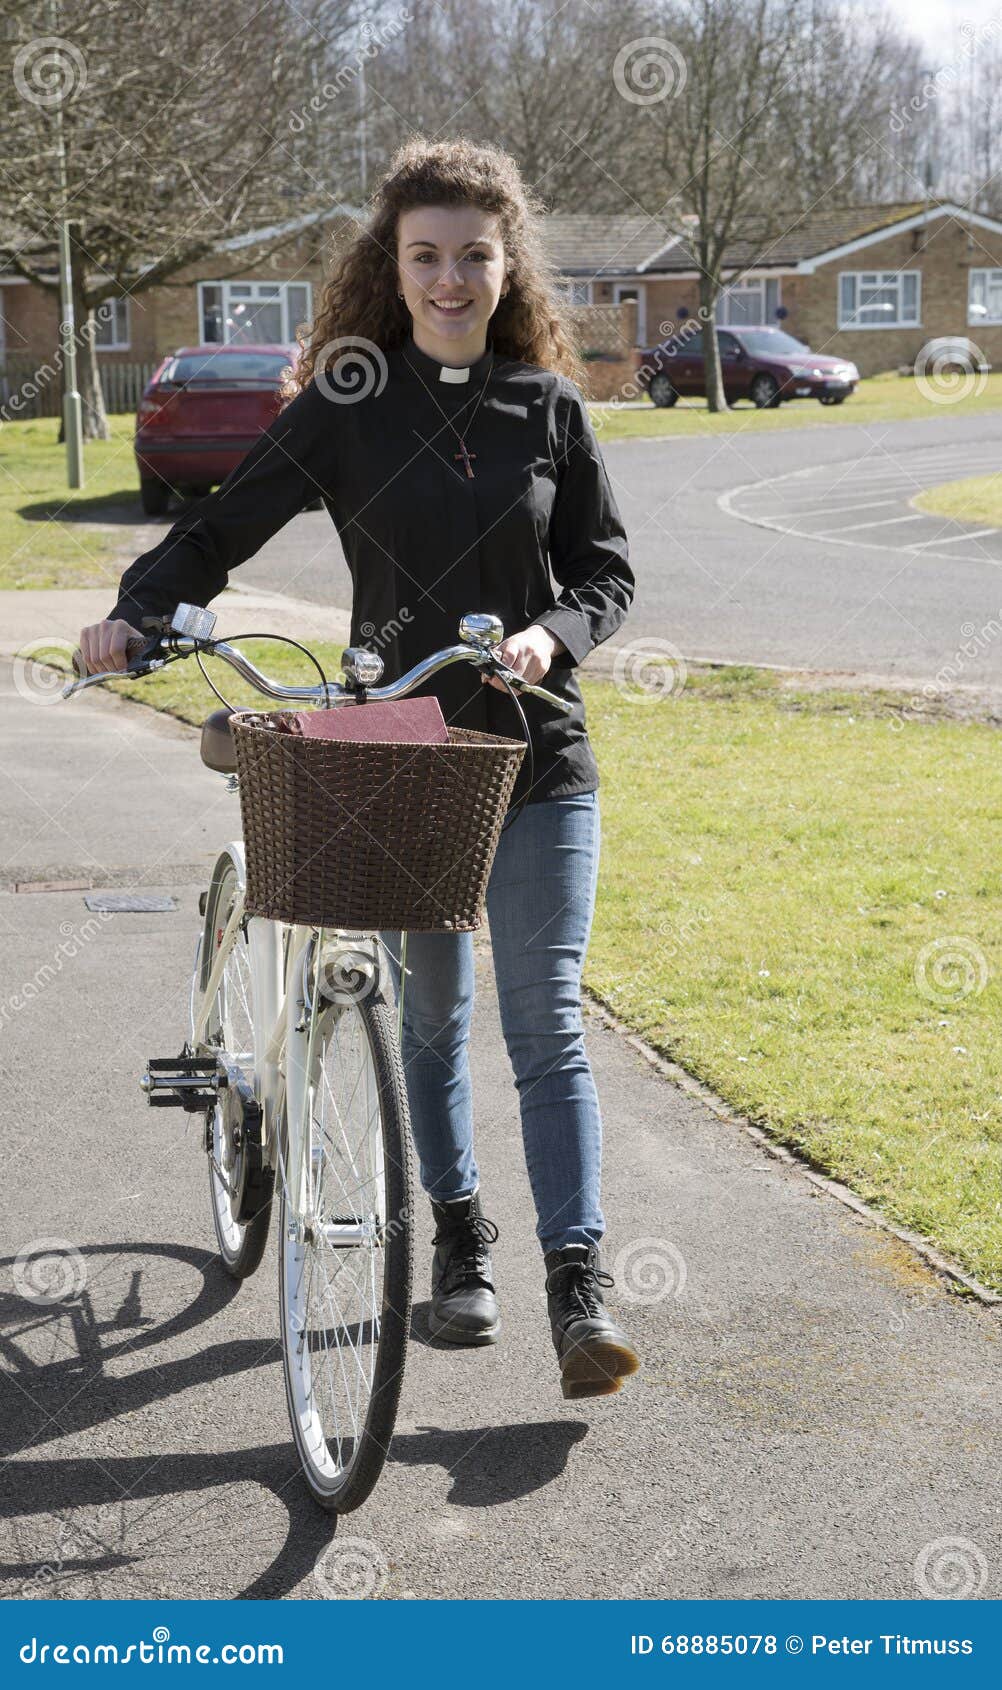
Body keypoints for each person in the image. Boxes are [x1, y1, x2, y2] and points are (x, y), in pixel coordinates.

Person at [78, 136, 639, 1400]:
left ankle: (580, 1285)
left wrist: (557, 631)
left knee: (545, 1024)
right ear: (393, 266)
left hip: (538, 757)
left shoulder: (546, 408)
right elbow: (220, 524)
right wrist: (137, 610)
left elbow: (606, 570)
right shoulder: (346, 399)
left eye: (475, 258)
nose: (451, 279)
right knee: (431, 1020)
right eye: (427, 256)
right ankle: (460, 1237)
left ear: (508, 269)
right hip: (400, 757)